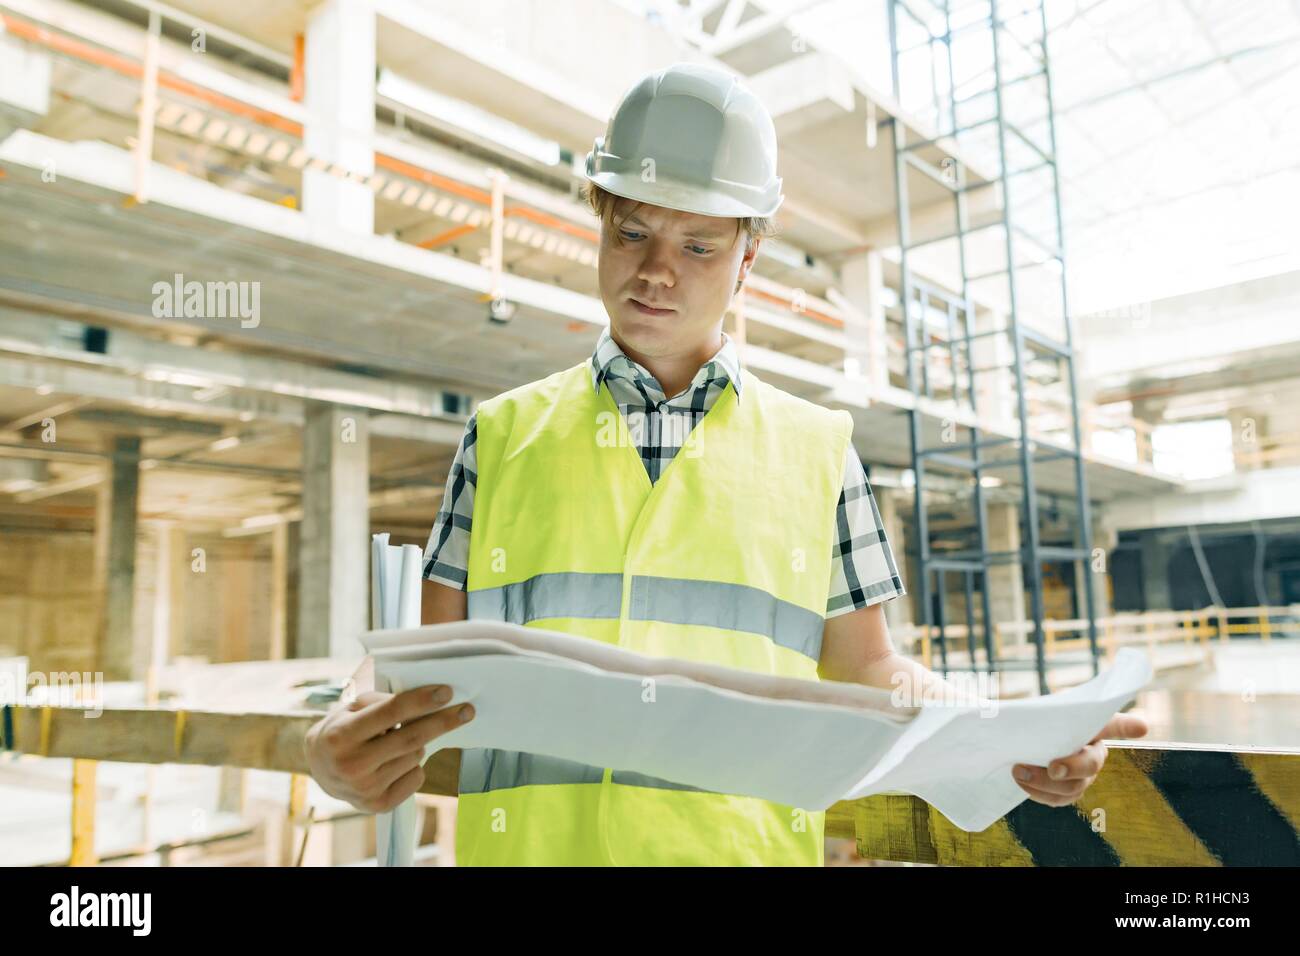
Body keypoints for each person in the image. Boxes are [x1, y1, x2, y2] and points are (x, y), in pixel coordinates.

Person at [304, 61, 1148, 865]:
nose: (656, 272)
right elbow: (423, 653)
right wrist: (348, 718)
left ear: (748, 258)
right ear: (600, 223)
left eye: (699, 247)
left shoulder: (820, 452)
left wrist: (1014, 734)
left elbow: (872, 672)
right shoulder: (501, 435)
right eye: (631, 231)